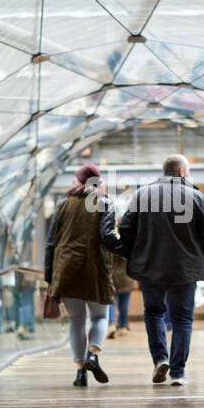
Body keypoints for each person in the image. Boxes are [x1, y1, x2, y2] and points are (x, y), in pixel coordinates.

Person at [100, 154, 204, 388]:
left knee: (154, 313)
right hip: (185, 269)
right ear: (181, 172)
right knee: (182, 319)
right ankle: (178, 372)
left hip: (150, 267)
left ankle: (160, 359)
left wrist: (134, 252)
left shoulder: (142, 195)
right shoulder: (195, 196)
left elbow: (126, 228)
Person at [45, 164, 115, 386]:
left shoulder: (63, 204)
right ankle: (93, 354)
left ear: (79, 180)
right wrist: (125, 250)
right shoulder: (104, 202)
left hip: (66, 268)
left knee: (76, 321)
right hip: (94, 269)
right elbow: (107, 236)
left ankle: (80, 373)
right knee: (100, 317)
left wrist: (50, 276)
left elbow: (50, 242)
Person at [108, 252, 136, 339]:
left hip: (112, 278)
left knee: (110, 303)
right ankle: (122, 327)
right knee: (123, 305)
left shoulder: (110, 246)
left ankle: (111, 324)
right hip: (126, 279)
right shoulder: (127, 246)